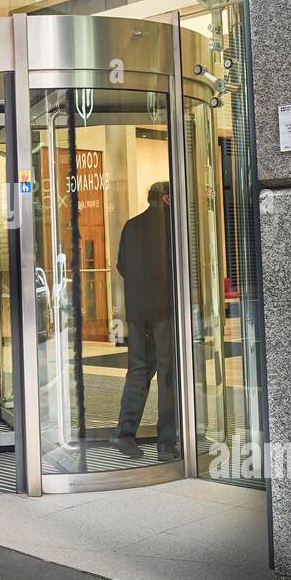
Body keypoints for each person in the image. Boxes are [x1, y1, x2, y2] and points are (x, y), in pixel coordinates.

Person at [110, 182, 179, 462]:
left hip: (137, 312)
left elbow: (122, 266)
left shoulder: (131, 225)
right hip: (164, 310)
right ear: (165, 198)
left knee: (137, 370)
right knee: (167, 374)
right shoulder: (173, 225)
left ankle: (124, 434)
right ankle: (165, 444)